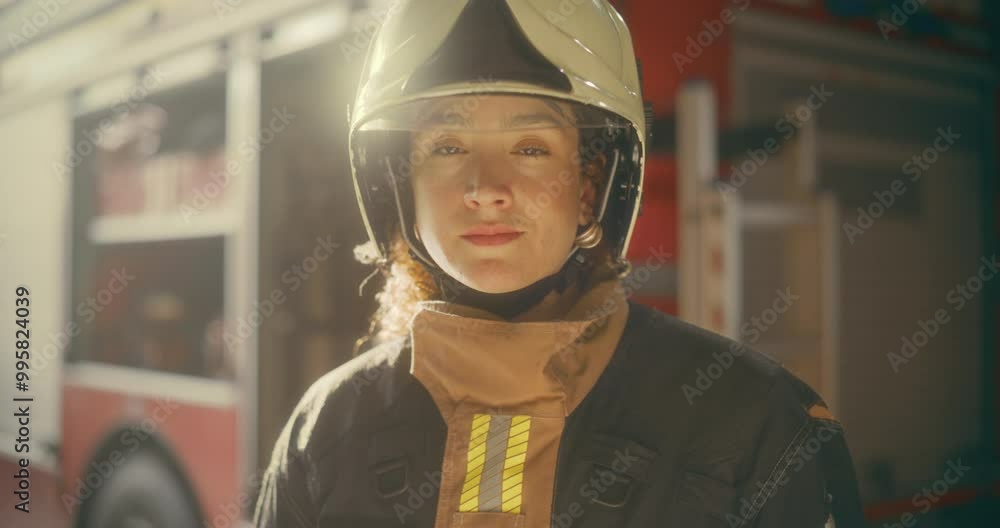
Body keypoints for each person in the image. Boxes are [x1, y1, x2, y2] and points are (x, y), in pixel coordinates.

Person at [253, 1, 865, 527]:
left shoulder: (759, 422)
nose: (486, 188)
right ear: (399, 184)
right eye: (447, 145)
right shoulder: (326, 430)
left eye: (530, 146)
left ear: (589, 186)